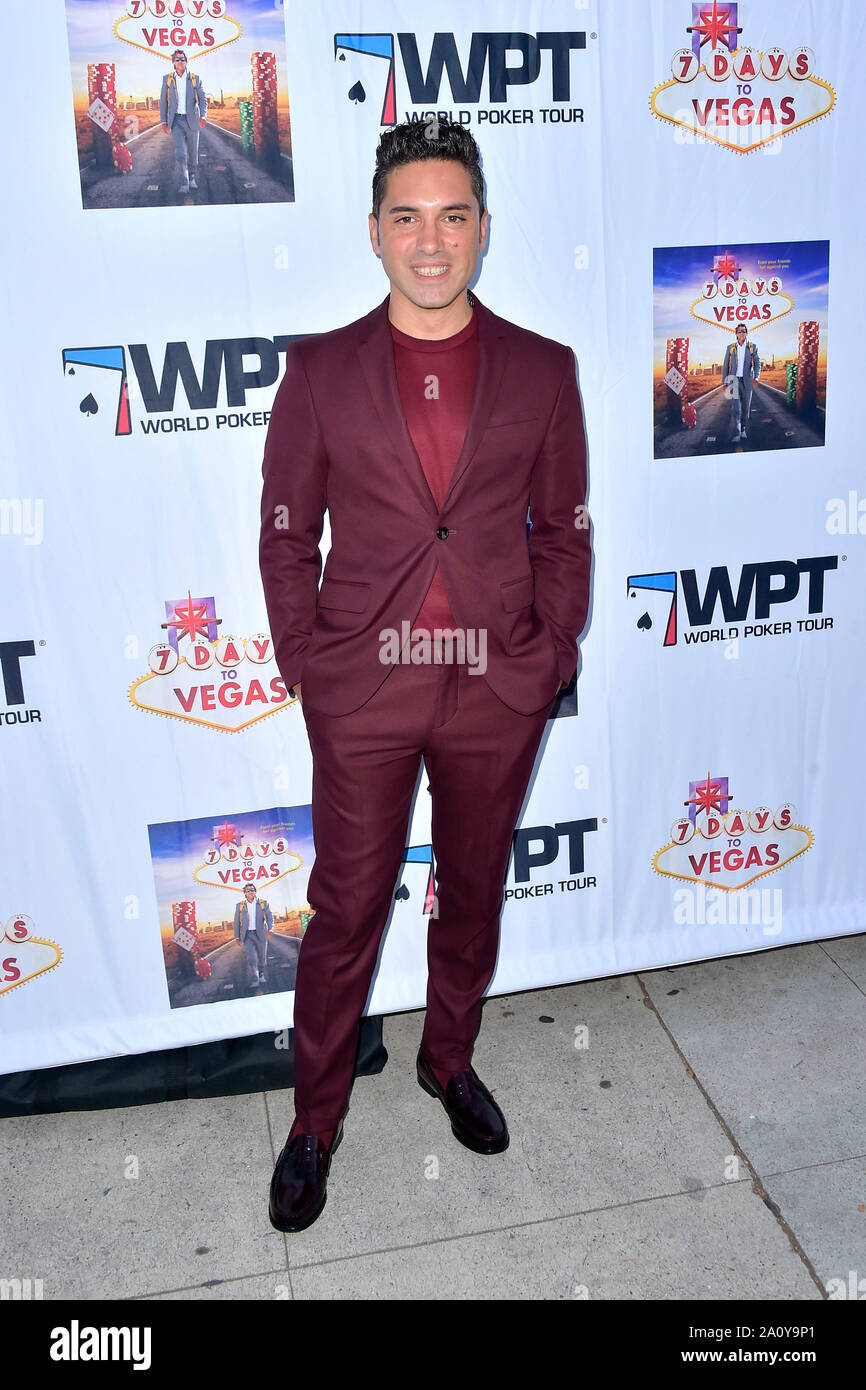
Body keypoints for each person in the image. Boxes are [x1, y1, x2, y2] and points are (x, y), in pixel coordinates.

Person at [259, 119, 591, 1232]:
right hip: (364, 688)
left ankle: (447, 1060)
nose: (431, 240)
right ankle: (313, 1121)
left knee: (474, 892)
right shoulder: (316, 371)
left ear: (483, 230)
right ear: (374, 233)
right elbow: (283, 533)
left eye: (452, 215)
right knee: (346, 906)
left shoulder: (546, 370)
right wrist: (306, 660)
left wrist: (550, 653)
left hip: (496, 689)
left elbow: (564, 531)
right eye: (407, 216)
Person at [159, 50, 207, 194]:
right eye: (177, 59)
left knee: (193, 152)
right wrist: (163, 121)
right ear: (173, 62)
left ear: (186, 61)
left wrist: (203, 115)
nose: (180, 61)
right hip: (176, 121)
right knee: (180, 152)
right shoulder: (167, 79)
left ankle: (192, 177)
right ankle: (184, 181)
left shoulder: (194, 79)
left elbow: (203, 99)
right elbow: (163, 101)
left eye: (183, 59)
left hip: (192, 120)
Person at [723, 323, 761, 441]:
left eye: (744, 331)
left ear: (746, 333)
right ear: (736, 334)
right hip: (733, 381)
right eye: (739, 331)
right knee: (735, 408)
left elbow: (757, 363)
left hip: (747, 381)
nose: (742, 333)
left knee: (745, 408)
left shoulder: (752, 347)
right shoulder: (731, 347)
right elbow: (725, 366)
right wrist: (724, 382)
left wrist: (756, 377)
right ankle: (736, 432)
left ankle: (743, 428)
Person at [232, 883, 273, 988]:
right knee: (252, 958)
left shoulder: (263, 903)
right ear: (245, 893)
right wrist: (237, 937)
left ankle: (261, 974)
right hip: (247, 935)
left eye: (252, 889)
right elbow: (236, 922)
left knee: (262, 957)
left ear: (255, 891)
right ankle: (255, 979)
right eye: (248, 890)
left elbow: (269, 917)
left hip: (261, 934)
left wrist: (270, 928)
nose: (250, 892)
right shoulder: (240, 906)